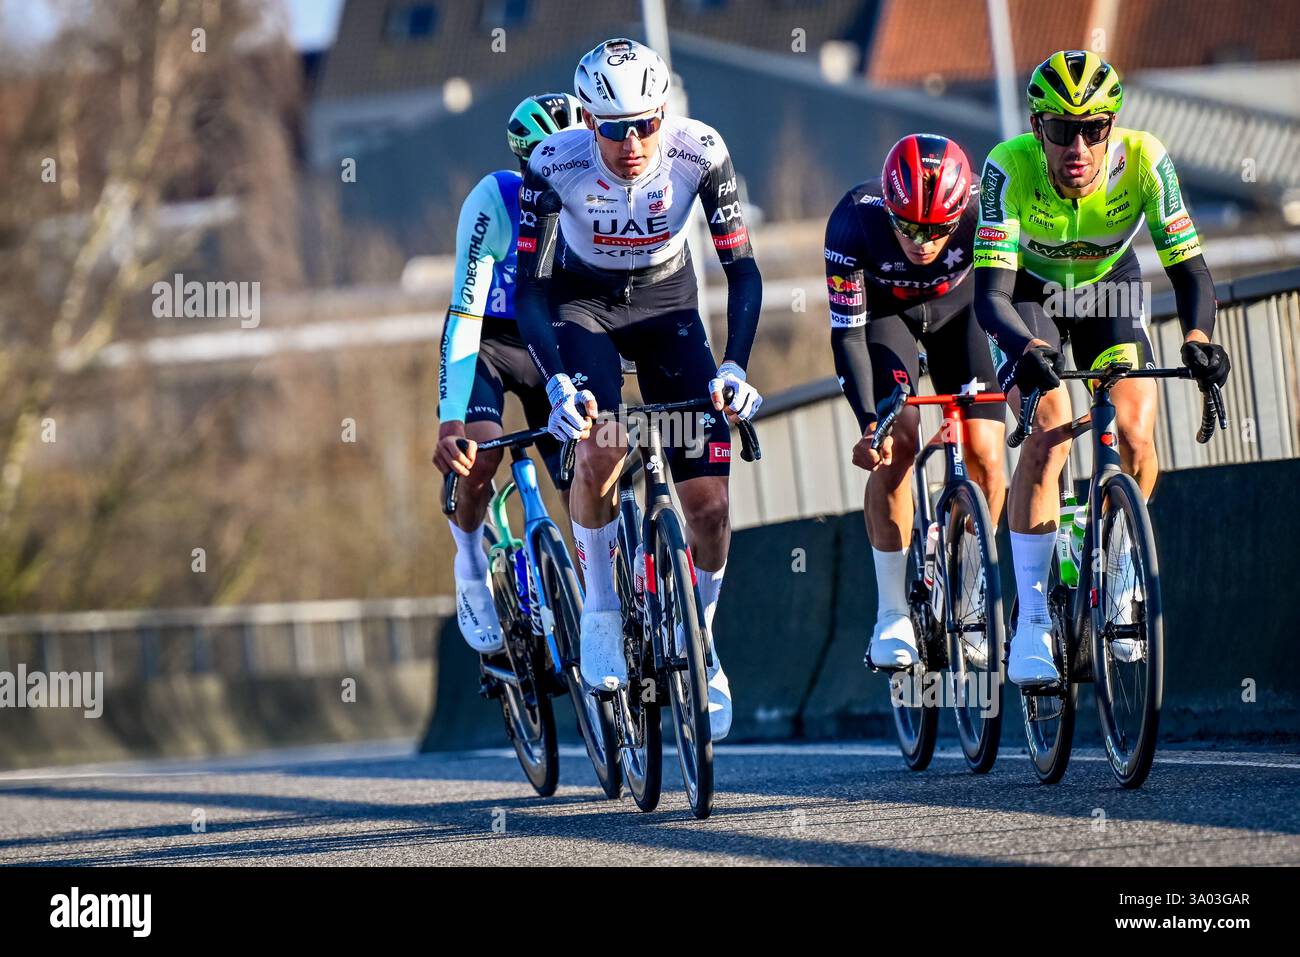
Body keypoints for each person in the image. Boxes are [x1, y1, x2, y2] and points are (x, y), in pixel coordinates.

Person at [513, 38, 764, 740]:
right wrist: (557, 380)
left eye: (646, 124)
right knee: (600, 444)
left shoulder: (699, 150)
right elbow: (529, 291)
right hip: (582, 304)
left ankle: (702, 641)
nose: (632, 143)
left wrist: (736, 368)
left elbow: (742, 270)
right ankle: (599, 610)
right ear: (587, 122)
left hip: (667, 305)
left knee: (709, 507)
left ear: (664, 115)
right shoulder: (551, 162)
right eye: (615, 128)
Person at [973, 50, 1230, 686]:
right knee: (1050, 431)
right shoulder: (1006, 168)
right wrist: (1028, 353)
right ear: (1039, 129)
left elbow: (1190, 270)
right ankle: (1031, 618)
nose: (1078, 146)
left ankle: (1118, 569)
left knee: (1138, 435)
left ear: (1112, 127)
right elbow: (989, 297)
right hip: (1026, 297)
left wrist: (1198, 336)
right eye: (1062, 129)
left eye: (1094, 128)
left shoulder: (1145, 159)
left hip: (1107, 291)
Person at [825, 133, 1006, 669]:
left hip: (961, 313)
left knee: (988, 456)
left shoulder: (983, 210)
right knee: (897, 442)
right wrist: (866, 424)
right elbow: (849, 336)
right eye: (908, 227)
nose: (923, 243)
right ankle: (890, 614)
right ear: (888, 204)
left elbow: (1009, 293)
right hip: (887, 320)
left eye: (936, 231)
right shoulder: (853, 223)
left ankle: (972, 592)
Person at [433, 92, 584, 654]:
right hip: (490, 345)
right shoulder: (492, 201)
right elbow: (464, 316)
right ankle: (471, 566)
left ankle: (596, 602)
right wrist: (450, 423)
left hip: (554, 344)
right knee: (483, 455)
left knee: (587, 474)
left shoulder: (595, 198)